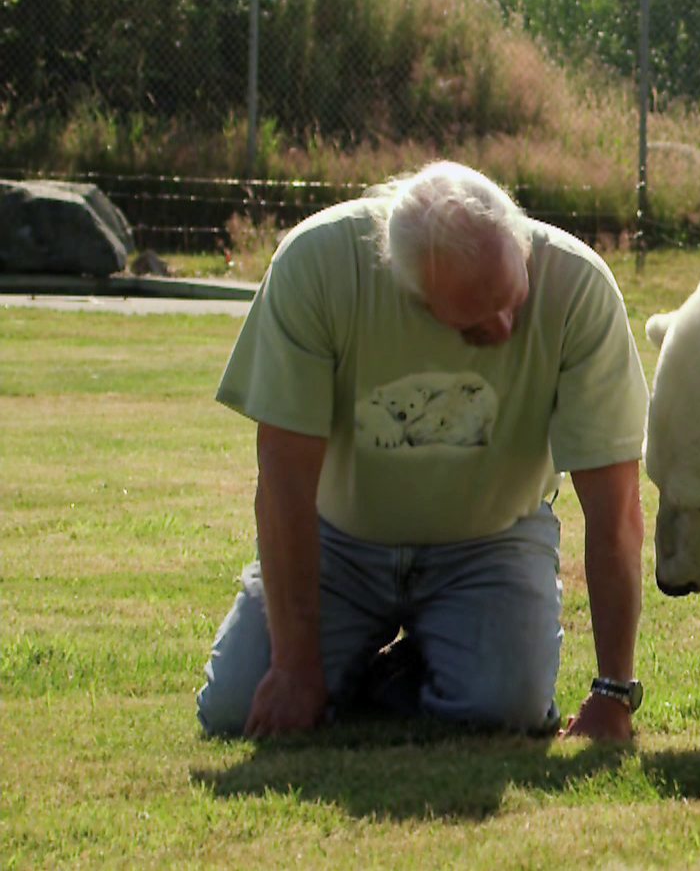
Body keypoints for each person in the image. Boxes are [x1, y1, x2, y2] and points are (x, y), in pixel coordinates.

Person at [196, 161, 648, 741]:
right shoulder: (317, 265)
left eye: (512, 298)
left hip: (491, 542)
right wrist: (292, 667)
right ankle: (367, 666)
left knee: (504, 711)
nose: (507, 328)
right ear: (406, 287)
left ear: (519, 240)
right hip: (339, 544)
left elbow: (617, 512)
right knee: (234, 711)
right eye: (474, 323)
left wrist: (613, 692)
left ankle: (399, 670)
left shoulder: (579, 287)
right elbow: (283, 486)